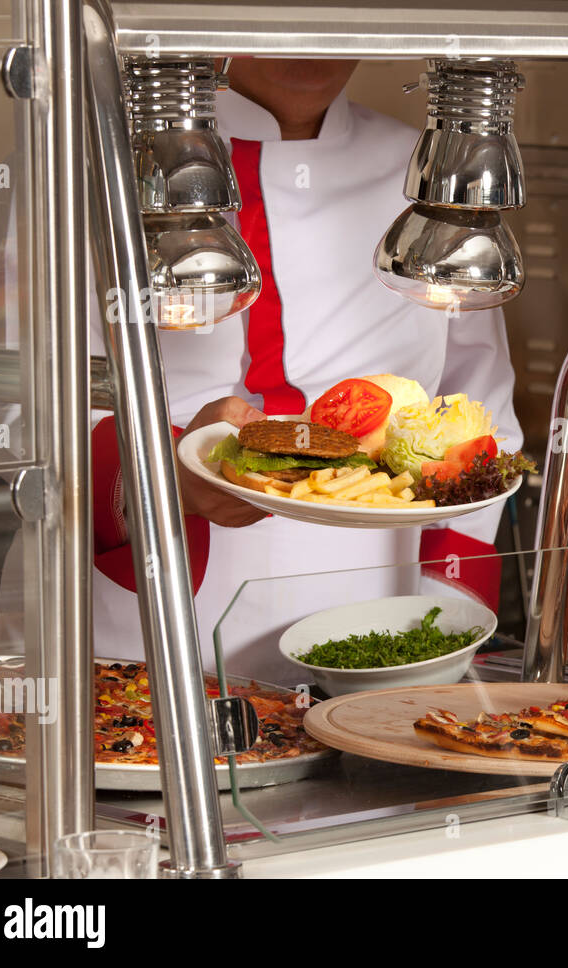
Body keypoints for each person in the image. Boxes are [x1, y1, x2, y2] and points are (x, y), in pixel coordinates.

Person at [88, 58, 523, 683]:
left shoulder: (431, 183)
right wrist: (164, 478)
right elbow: (23, 414)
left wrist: (447, 620)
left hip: (378, 636)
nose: (305, 50)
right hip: (149, 640)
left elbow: (481, 417)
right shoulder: (88, 178)